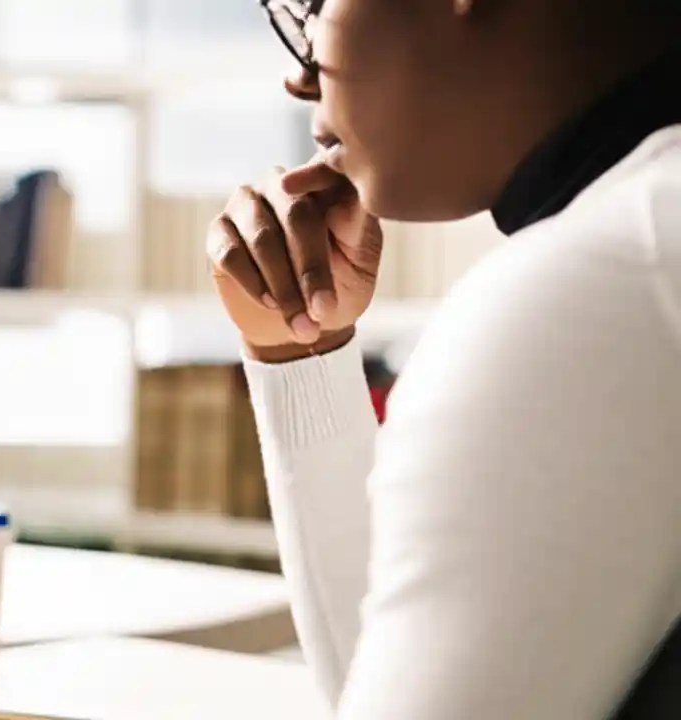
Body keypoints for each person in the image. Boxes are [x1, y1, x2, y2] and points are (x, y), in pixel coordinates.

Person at [208, 1, 681, 716]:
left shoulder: (596, 284)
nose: (299, 77)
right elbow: (416, 671)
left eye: (313, 7)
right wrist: (302, 354)